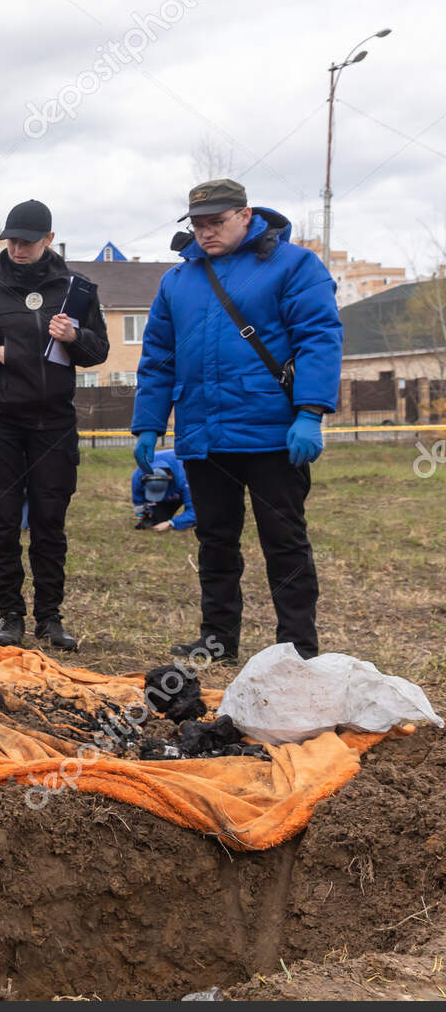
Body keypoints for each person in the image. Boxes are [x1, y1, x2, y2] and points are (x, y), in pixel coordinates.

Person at [132, 179, 341, 663]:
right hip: (205, 436)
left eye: (216, 222)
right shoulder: (177, 281)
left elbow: (319, 337)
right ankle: (217, 639)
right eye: (198, 224)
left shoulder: (293, 265)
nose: (206, 233)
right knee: (215, 541)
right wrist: (148, 424)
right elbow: (158, 357)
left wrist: (310, 413)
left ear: (245, 215)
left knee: (284, 542)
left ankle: (297, 645)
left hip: (274, 435)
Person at [0, 200, 109, 651]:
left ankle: (50, 617)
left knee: (49, 523)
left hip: (52, 422)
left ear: (49, 240)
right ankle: (9, 615)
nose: (17, 248)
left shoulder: (77, 290)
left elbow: (98, 351)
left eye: (28, 241)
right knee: (1, 521)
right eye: (12, 240)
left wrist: (74, 337)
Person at [131, 449, 195, 532]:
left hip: (184, 486)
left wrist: (171, 523)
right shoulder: (138, 476)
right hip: (173, 488)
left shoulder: (184, 478)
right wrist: (142, 513)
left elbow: (194, 511)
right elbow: (138, 502)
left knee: (201, 519)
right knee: (157, 521)